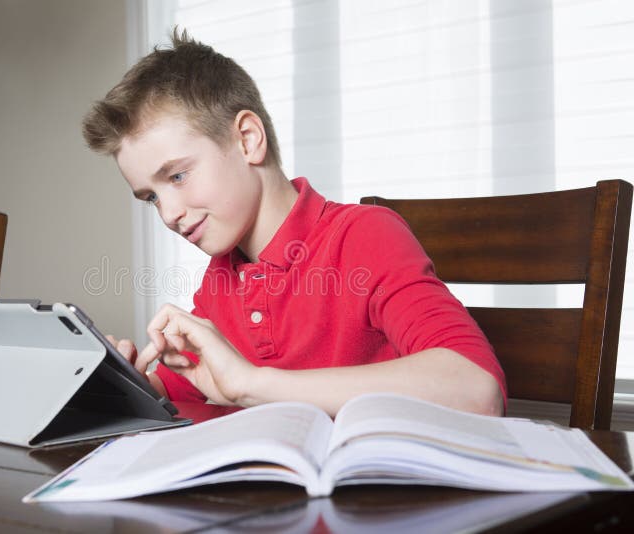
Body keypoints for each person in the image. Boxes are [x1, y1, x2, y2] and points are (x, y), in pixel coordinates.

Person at [82, 28, 506, 417]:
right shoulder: (220, 280)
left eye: (177, 175)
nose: (168, 213)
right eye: (151, 197)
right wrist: (126, 383)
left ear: (247, 139)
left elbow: (477, 388)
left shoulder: (365, 235)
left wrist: (254, 385)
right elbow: (185, 388)